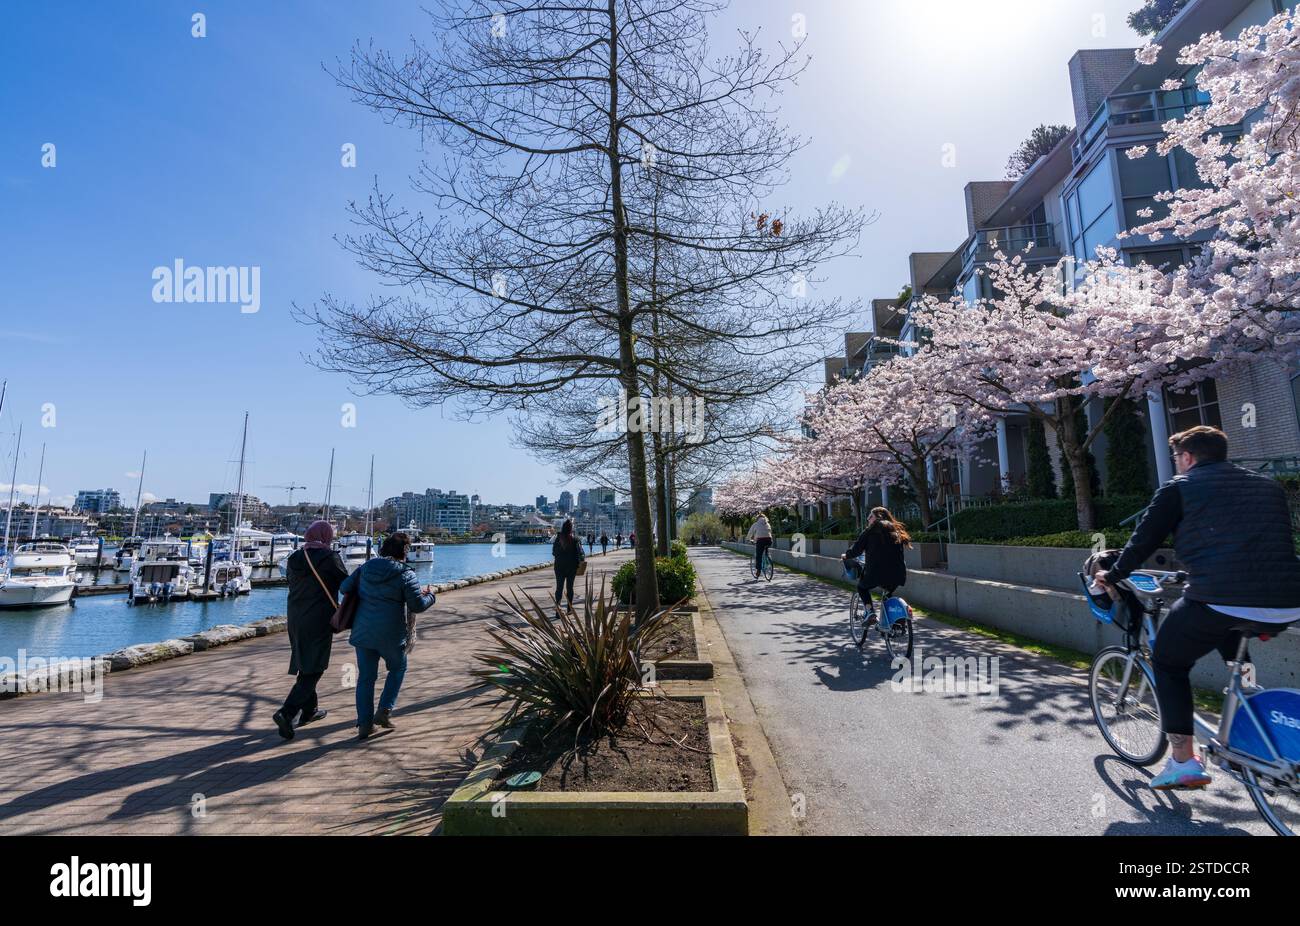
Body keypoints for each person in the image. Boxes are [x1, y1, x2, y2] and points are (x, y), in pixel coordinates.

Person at [1095, 426, 1300, 791]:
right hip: (1284, 602)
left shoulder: (1180, 487)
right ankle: (1251, 723)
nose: (1177, 464)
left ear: (1188, 457)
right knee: (1236, 650)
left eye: (1177, 458)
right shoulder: (1267, 486)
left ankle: (1182, 762)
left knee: (1169, 661)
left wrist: (1113, 574)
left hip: (1222, 597)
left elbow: (1144, 539)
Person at [339, 532, 436, 740]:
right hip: (391, 634)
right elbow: (417, 605)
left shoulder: (365, 568)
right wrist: (431, 596)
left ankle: (364, 725)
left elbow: (344, 587)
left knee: (366, 678)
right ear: (404, 551)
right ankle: (384, 712)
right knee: (398, 668)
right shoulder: (405, 574)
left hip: (363, 632)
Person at [273, 520, 347, 741]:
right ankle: (286, 713)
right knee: (315, 668)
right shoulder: (329, 557)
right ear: (326, 536)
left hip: (295, 616)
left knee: (306, 661)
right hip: (318, 618)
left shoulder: (295, 557)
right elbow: (346, 584)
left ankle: (309, 711)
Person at [840, 507, 909, 617]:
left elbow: (856, 550)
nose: (868, 519)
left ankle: (870, 612)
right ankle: (889, 624)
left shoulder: (870, 531)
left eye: (870, 516)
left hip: (876, 572)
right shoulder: (896, 532)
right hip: (899, 574)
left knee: (862, 587)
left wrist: (846, 556)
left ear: (878, 517)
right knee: (887, 594)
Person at [551, 519, 585, 609]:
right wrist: (579, 561)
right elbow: (581, 553)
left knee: (559, 588)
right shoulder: (575, 539)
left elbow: (554, 552)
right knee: (570, 588)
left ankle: (558, 609)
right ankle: (569, 609)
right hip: (571, 567)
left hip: (559, 567)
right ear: (571, 528)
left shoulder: (558, 539)